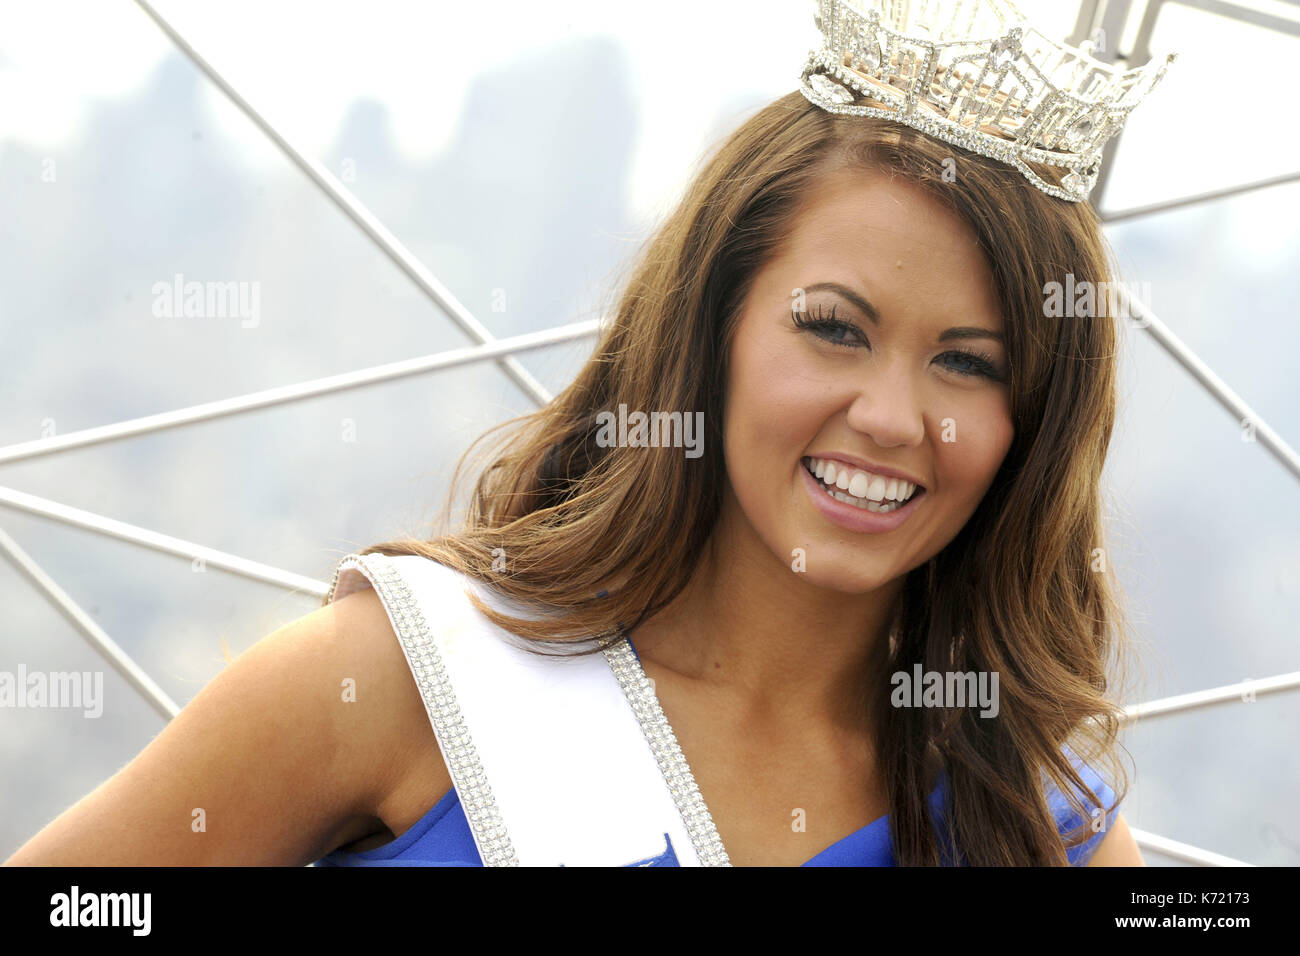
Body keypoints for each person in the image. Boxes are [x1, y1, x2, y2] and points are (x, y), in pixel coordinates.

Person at [5, 2, 1162, 867]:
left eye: (968, 362)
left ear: (1031, 423)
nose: (892, 416)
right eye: (832, 329)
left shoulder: (1037, 822)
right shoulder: (396, 676)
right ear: (711, 327)